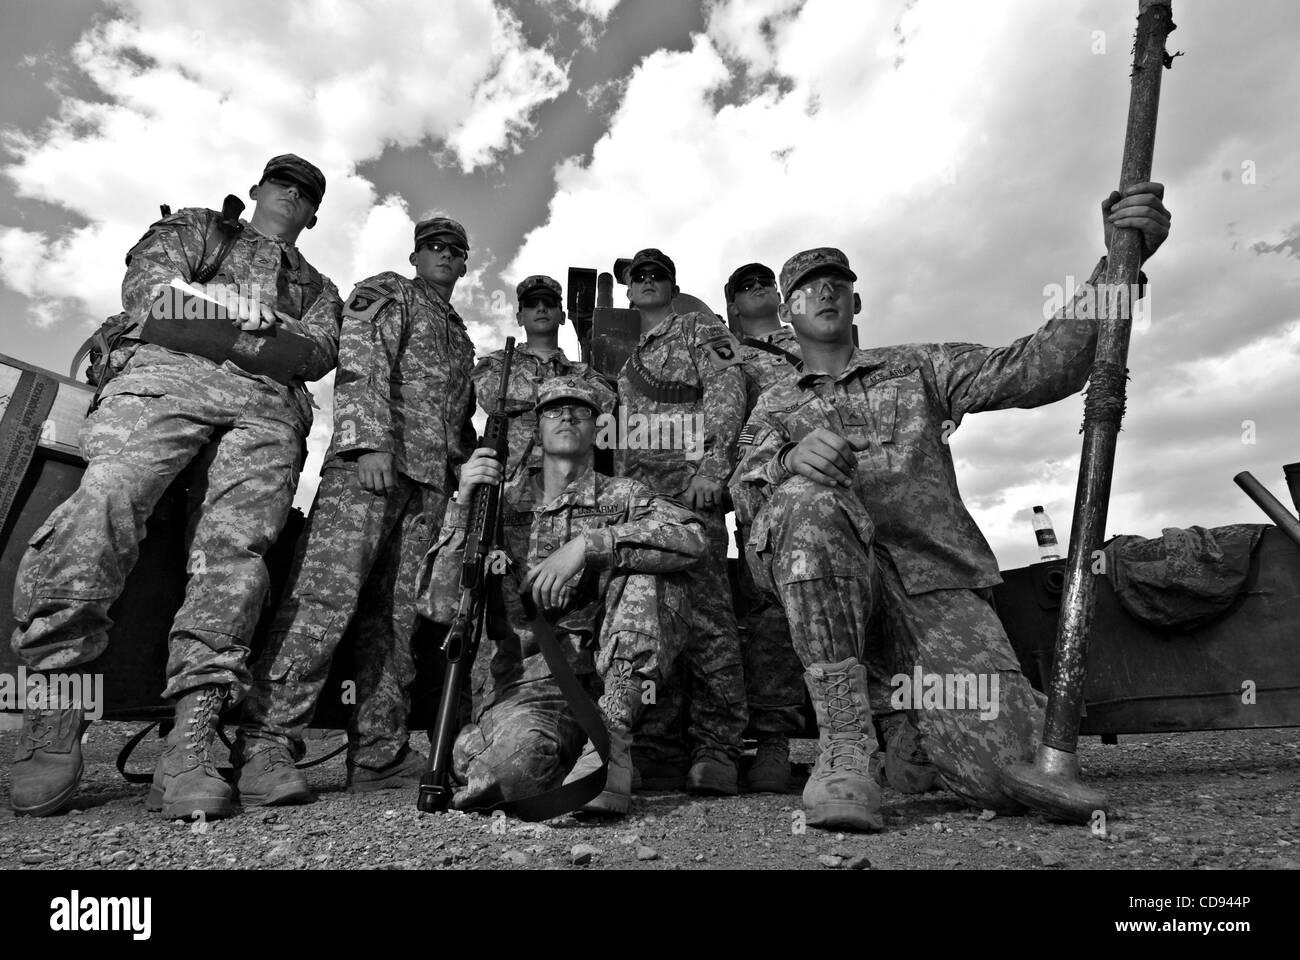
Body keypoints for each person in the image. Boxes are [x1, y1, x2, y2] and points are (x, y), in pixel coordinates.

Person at [731, 184, 1171, 830]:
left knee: (1005, 778)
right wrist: (788, 461)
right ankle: (846, 743)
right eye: (806, 289)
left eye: (837, 284)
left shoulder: (920, 368)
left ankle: (918, 730)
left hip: (931, 580)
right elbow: (743, 491)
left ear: (856, 301)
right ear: (787, 313)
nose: (824, 294)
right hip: (828, 584)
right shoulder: (773, 406)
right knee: (809, 505)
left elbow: (1038, 367)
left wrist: (1118, 267)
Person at [9, 154, 342, 820]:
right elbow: (149, 291)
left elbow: (319, 352)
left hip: (265, 411)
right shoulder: (202, 230)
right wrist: (238, 316)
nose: (292, 196)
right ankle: (53, 713)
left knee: (236, 561)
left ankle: (191, 740)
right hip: (166, 380)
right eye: (281, 183)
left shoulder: (317, 285)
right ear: (256, 190)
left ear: (312, 215)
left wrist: (259, 326)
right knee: (104, 501)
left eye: (306, 193)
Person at [232, 217, 478, 803]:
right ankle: (266, 742)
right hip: (371, 470)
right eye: (434, 246)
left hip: (428, 485)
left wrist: (461, 473)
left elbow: (457, 417)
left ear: (465, 264)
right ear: (416, 255)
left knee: (396, 621)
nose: (444, 254)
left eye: (455, 249)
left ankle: (379, 752)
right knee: (323, 599)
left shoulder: (460, 335)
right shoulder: (390, 290)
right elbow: (362, 359)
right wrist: (368, 443)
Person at [418, 375, 705, 815]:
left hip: (614, 689)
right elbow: (439, 605)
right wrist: (463, 504)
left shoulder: (624, 495)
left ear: (597, 429)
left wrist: (590, 545)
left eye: (580, 410)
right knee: (514, 769)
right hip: (528, 692)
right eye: (553, 410)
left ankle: (611, 740)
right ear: (537, 430)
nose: (567, 416)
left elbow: (692, 539)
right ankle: (562, 758)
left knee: (652, 565)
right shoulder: (498, 503)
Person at [614, 248, 748, 795]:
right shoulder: (629, 359)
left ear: (672, 285)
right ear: (628, 292)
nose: (647, 281)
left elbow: (728, 389)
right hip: (645, 503)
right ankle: (658, 744)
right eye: (638, 276)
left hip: (692, 492)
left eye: (657, 275)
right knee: (655, 614)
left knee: (710, 617)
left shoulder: (698, 328)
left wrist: (713, 467)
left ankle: (717, 746)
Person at [723, 262, 806, 793]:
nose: (757, 290)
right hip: (763, 489)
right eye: (744, 287)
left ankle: (882, 730)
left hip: (831, 478)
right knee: (769, 608)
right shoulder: (725, 353)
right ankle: (775, 740)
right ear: (732, 304)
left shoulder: (813, 338)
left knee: (858, 592)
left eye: (763, 283)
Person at [470, 275, 610, 500]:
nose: (541, 308)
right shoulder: (498, 364)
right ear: (519, 317)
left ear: (562, 317)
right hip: (509, 485)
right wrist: (569, 394)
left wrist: (527, 392)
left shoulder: (584, 371)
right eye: (532, 303)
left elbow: (606, 403)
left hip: (571, 485)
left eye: (549, 303)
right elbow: (490, 396)